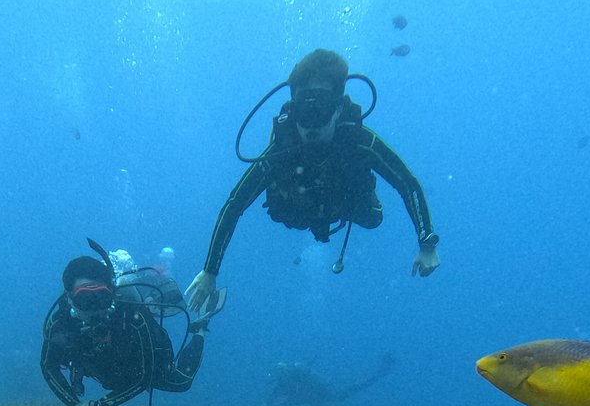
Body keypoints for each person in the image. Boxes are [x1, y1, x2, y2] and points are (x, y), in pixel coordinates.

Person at [185, 48, 440, 315]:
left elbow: (406, 182)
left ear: (339, 107)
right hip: (298, 207)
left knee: (374, 218)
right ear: (294, 110)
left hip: (346, 202)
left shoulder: (360, 142)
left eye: (322, 108)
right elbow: (235, 203)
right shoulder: (280, 149)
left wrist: (426, 241)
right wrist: (209, 272)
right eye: (304, 113)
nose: (311, 125)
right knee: (282, 210)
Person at [41, 240, 220, 406]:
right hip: (105, 370)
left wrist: (100, 405)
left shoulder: (132, 316)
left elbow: (144, 376)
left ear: (111, 293)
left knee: (182, 382)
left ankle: (200, 330)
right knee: (110, 379)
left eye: (101, 298)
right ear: (69, 299)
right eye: (85, 300)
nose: (94, 309)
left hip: (142, 364)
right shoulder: (59, 324)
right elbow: (48, 365)